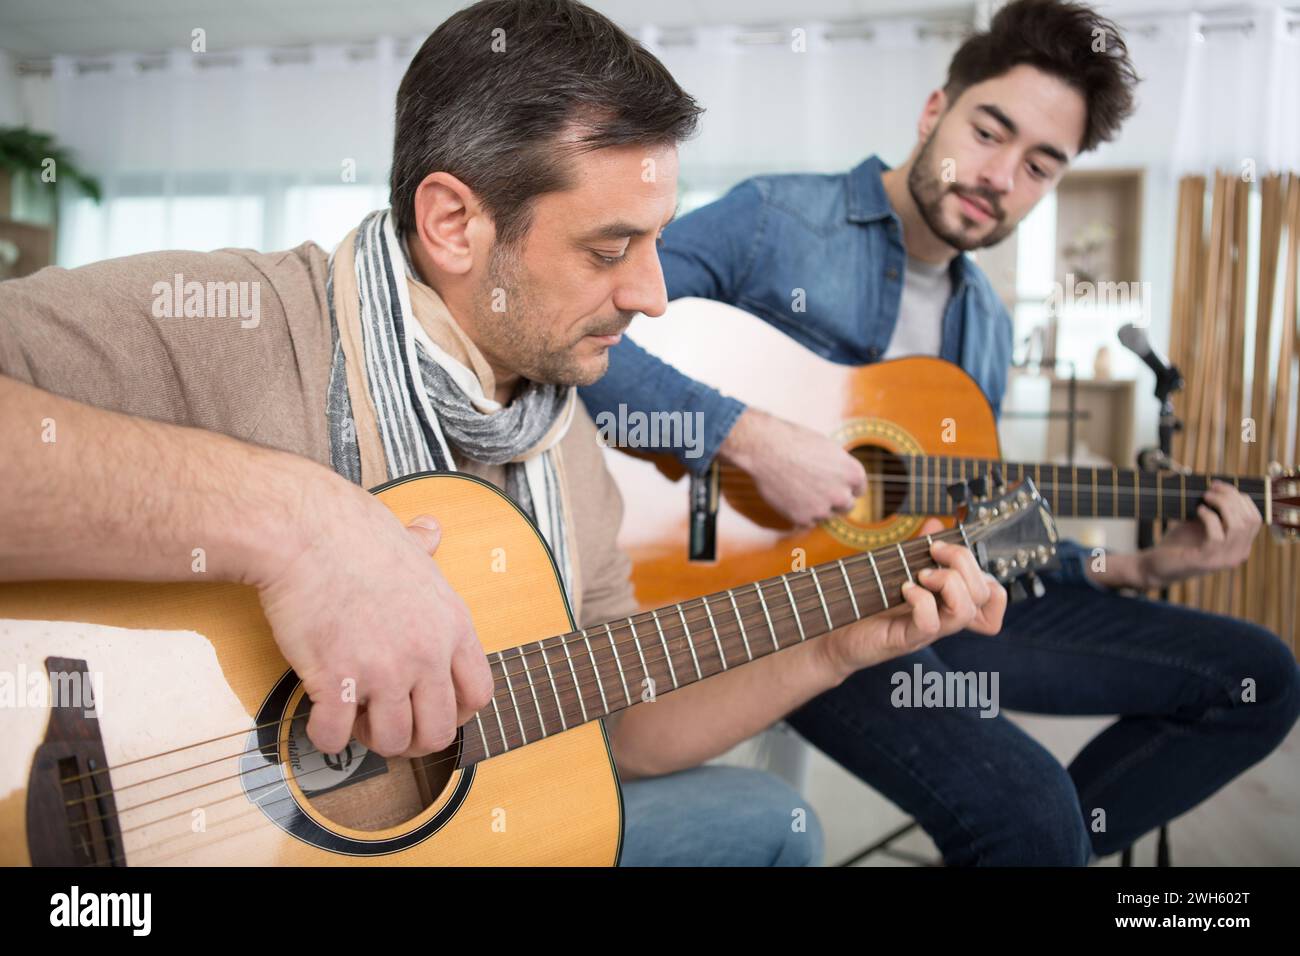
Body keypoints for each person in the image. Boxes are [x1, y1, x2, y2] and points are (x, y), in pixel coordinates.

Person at [0, 0, 1007, 866]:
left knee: (765, 819)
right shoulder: (231, 321)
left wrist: (830, 648)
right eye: (611, 247)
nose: (654, 294)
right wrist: (298, 525)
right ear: (452, 225)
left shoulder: (564, 444)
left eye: (655, 241)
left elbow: (619, 724)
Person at [578, 0, 1300, 864]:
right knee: (1029, 817)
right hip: (775, 616)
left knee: (1257, 679)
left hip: (926, 602)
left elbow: (986, 524)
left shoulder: (984, 328)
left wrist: (1142, 565)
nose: (1001, 176)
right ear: (934, 112)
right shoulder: (775, 218)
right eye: (990, 133)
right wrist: (749, 439)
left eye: (1040, 166)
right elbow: (590, 327)